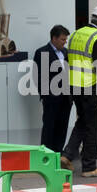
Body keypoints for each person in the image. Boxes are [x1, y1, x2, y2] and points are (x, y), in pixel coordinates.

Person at [62, 5, 97, 177]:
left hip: (74, 86)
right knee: (92, 127)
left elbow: (68, 59)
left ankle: (68, 155)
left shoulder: (76, 34)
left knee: (83, 121)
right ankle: (89, 167)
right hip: (90, 87)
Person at [33, 24, 73, 153]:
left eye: (65, 39)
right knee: (49, 128)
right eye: (62, 39)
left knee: (62, 128)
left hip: (66, 98)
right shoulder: (42, 52)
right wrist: (46, 95)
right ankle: (46, 155)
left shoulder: (66, 52)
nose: (64, 42)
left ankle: (58, 154)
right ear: (54, 38)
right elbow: (37, 76)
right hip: (51, 99)